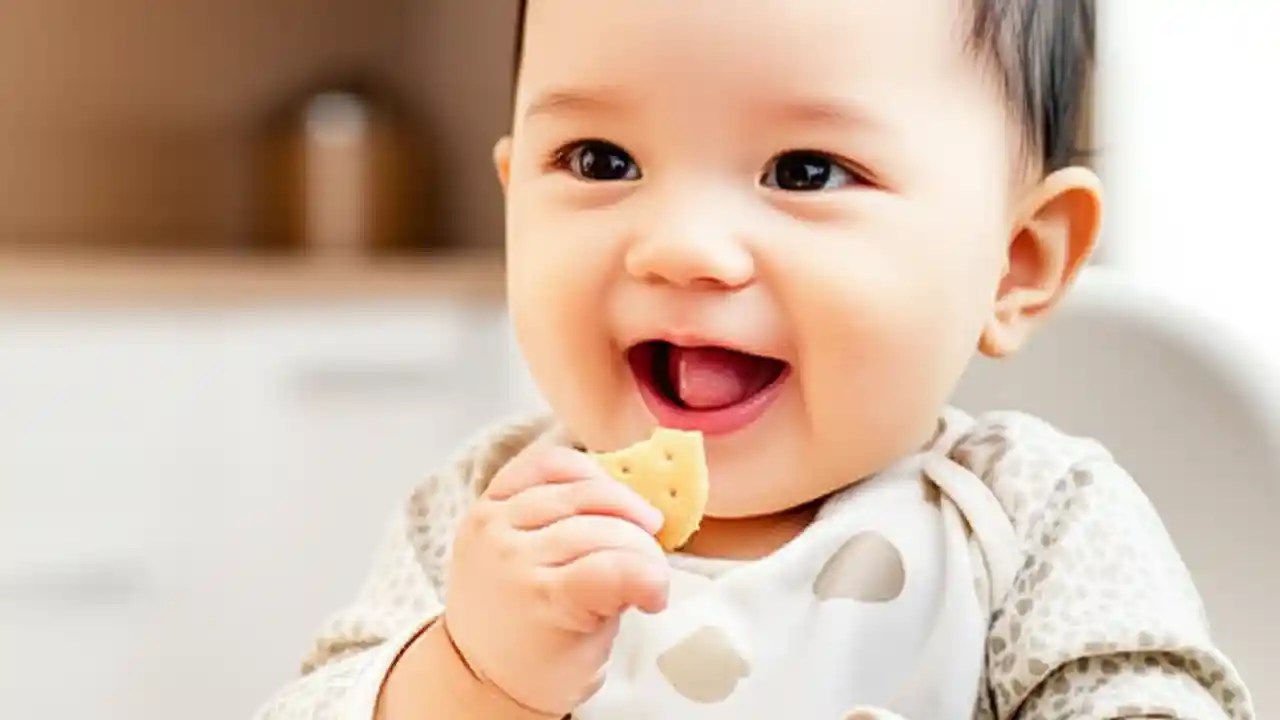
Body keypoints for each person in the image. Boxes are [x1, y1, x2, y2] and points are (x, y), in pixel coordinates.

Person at [256, 1, 1255, 717]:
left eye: (805, 171)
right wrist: (468, 678)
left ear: (1015, 261)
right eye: (601, 161)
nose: (682, 245)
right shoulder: (485, 516)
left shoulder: (1033, 520)